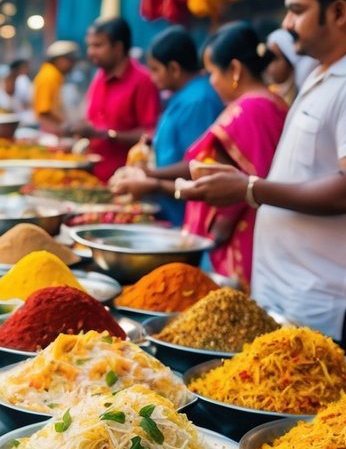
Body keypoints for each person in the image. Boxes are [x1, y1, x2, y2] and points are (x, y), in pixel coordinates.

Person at [179, 0, 346, 361]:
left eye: (297, 10)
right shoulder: (326, 73)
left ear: (339, 12)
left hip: (330, 308)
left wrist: (250, 189)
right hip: (294, 299)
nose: (287, 24)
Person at [115, 24, 286, 285]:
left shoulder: (252, 108)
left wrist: (217, 232)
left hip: (239, 240)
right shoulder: (267, 102)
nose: (211, 82)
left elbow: (248, 177)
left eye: (213, 73)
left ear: (236, 70)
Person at [110, 26, 224, 225]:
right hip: (169, 208)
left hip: (184, 213)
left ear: (174, 69)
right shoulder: (183, 95)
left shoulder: (199, 100)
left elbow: (199, 163)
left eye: (155, 69)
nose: (152, 78)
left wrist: (148, 176)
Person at [72, 17, 161, 182]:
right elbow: (92, 119)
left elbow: (151, 134)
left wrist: (108, 135)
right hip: (93, 177)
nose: (90, 52)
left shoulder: (143, 81)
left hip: (125, 181)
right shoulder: (99, 76)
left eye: (97, 45)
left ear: (118, 47)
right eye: (89, 45)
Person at [32, 41, 78, 135]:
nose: (72, 65)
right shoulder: (48, 76)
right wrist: (65, 126)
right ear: (60, 60)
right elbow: (44, 110)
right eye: (71, 61)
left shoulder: (54, 75)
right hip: (49, 133)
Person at [263, 28, 318, 105]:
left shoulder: (309, 94)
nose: (269, 66)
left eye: (275, 59)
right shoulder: (270, 94)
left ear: (291, 60)